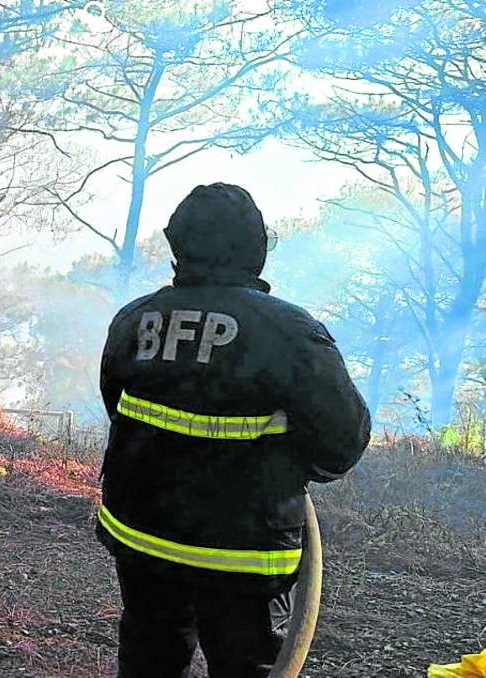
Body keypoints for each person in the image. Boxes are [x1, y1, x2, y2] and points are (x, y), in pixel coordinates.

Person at [96, 183, 371, 678]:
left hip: (140, 540)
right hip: (242, 556)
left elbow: (119, 408)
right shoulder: (291, 333)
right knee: (248, 665)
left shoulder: (134, 321)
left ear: (176, 243)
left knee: (149, 657)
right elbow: (342, 443)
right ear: (256, 250)